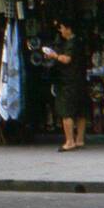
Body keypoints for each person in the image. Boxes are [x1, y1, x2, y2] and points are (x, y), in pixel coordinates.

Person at [43, 18, 88, 152]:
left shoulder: (71, 43)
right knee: (80, 111)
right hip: (79, 80)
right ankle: (79, 139)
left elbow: (67, 59)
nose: (60, 31)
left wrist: (54, 56)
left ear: (68, 29)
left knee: (66, 111)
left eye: (62, 28)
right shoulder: (79, 41)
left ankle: (69, 141)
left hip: (68, 81)